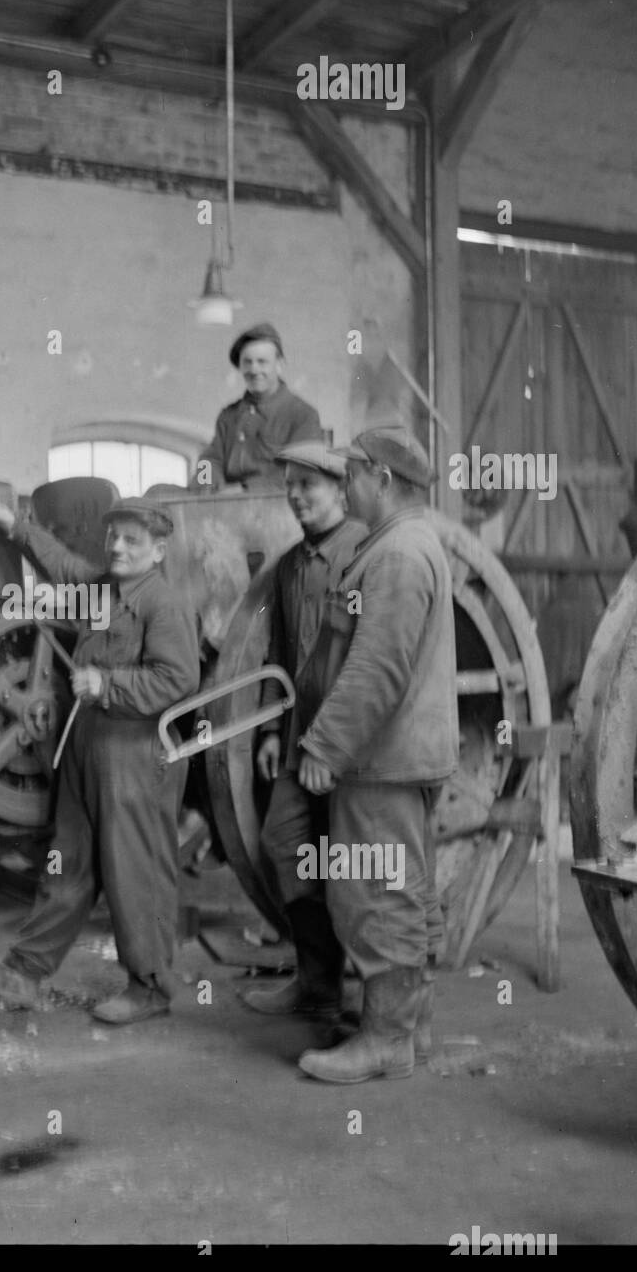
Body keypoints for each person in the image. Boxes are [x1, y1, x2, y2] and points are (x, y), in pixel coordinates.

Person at [0, 495, 200, 1024]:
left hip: (136, 749)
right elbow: (65, 565)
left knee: (134, 867)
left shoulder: (162, 604)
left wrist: (105, 682)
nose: (117, 546)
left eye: (131, 540)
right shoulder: (102, 590)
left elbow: (178, 678)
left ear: (159, 549)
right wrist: (14, 524)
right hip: (88, 739)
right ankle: (25, 971)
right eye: (112, 536)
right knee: (67, 859)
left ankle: (151, 986)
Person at [291, 425, 458, 1083]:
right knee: (404, 890)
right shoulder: (401, 544)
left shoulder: (397, 555)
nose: (345, 481)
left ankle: (385, 1038)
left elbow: (377, 668)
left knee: (374, 895)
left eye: (352, 471)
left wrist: (326, 745)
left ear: (383, 479)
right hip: (398, 757)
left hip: (381, 760)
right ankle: (406, 1028)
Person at [238, 442, 366, 1024]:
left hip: (352, 750)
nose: (295, 496)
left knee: (352, 867)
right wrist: (271, 730)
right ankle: (317, 984)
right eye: (289, 485)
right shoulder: (291, 565)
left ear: (342, 491)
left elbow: (373, 661)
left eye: (307, 486)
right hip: (297, 741)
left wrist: (335, 742)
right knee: (285, 841)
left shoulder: (365, 555)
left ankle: (369, 1002)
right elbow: (278, 656)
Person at [192, 322, 322, 491]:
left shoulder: (303, 415)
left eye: (262, 362)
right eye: (247, 362)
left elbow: (300, 471)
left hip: (278, 506)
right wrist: (207, 484)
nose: (254, 369)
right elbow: (210, 458)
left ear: (279, 365)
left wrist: (244, 489)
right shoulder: (228, 415)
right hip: (226, 502)